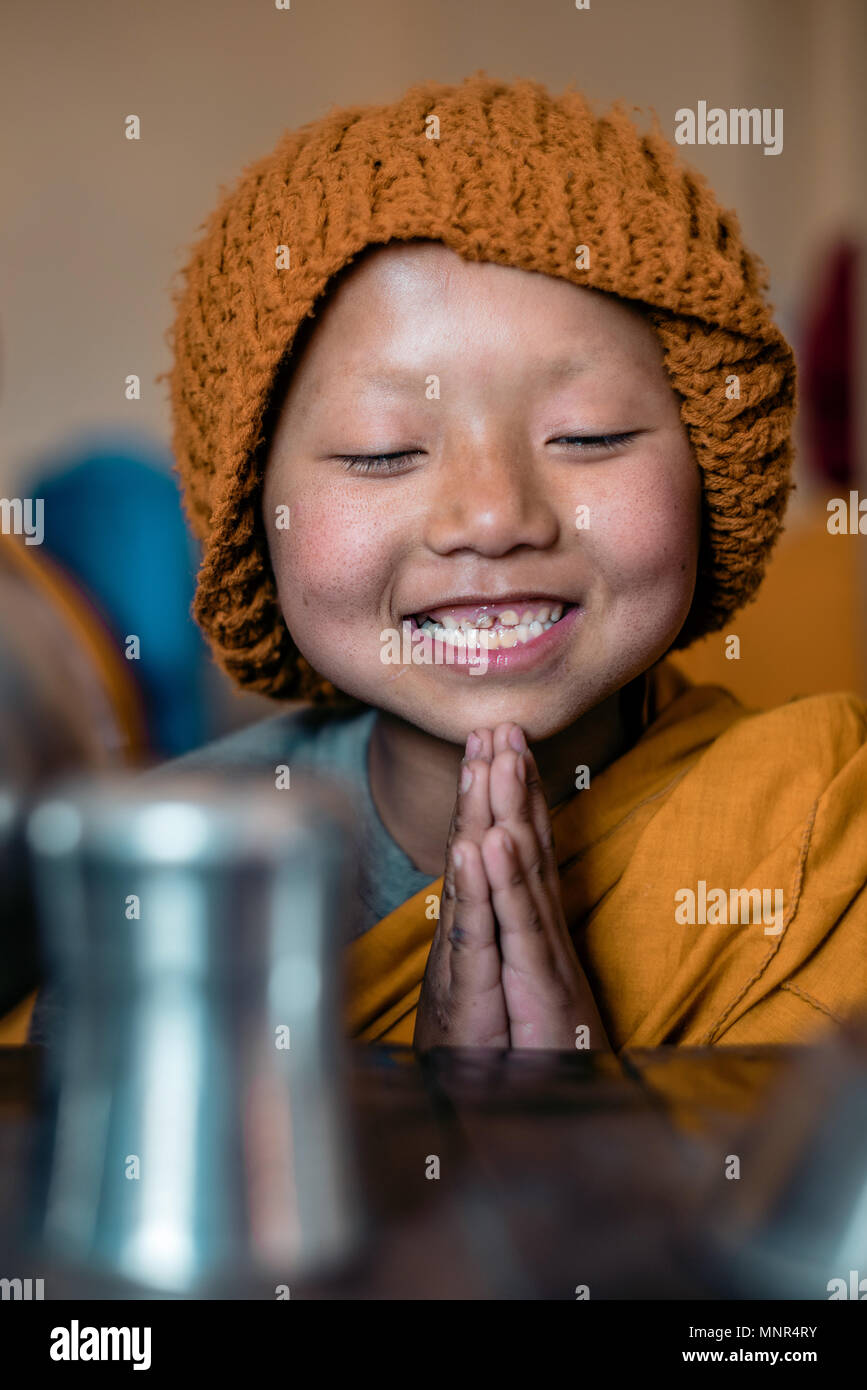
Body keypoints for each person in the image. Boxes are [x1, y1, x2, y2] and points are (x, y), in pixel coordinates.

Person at [152, 72, 866, 1052]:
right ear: (250, 516)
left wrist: (566, 1111)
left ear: (711, 467)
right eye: (382, 450)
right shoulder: (172, 869)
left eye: (589, 435)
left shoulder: (820, 833)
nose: (493, 517)